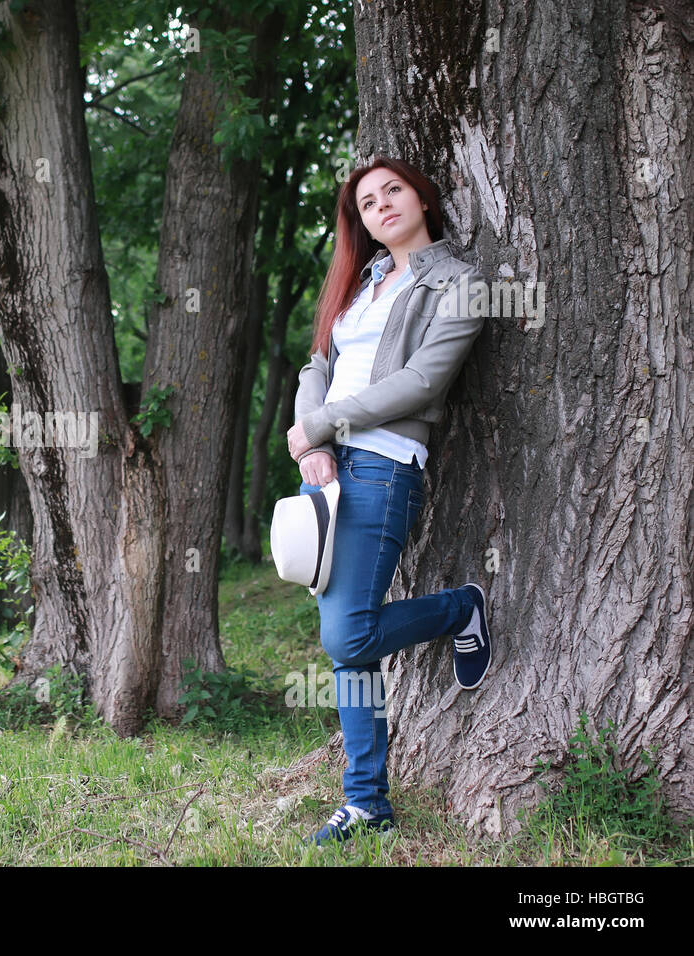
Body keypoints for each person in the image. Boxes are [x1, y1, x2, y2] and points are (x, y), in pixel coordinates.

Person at [286, 156, 494, 848]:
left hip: (384, 464)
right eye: (367, 202)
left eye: (392, 191)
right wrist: (312, 444)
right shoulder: (361, 283)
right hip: (329, 468)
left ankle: (460, 607)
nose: (380, 206)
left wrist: (322, 426)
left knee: (347, 635)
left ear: (422, 199)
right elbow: (316, 367)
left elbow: (422, 382)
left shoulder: (460, 283)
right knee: (352, 653)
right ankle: (367, 800)